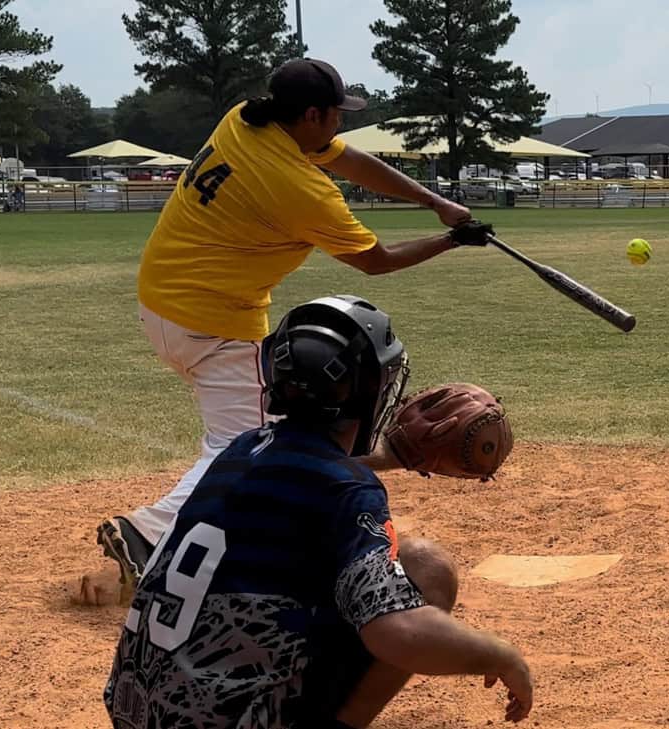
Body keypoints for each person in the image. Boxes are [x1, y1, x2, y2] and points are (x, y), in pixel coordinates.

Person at [95, 57, 494, 590]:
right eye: (336, 114)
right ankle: (147, 534)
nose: (340, 124)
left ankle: (234, 527)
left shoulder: (247, 120)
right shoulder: (299, 189)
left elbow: (347, 158)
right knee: (253, 447)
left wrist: (434, 202)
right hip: (214, 322)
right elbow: (376, 261)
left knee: (253, 436)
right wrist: (451, 240)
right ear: (311, 114)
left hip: (163, 302)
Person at [105, 295, 533, 728]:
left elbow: (307, 468)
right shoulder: (348, 491)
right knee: (428, 570)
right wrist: (502, 654)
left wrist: (398, 454)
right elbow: (396, 631)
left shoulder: (243, 448)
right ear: (373, 391)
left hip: (136, 709)